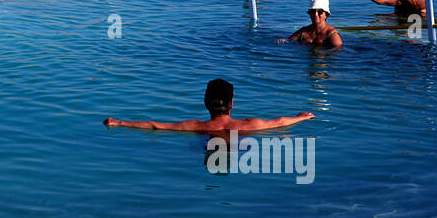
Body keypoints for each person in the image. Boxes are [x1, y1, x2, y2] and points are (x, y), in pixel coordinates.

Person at [104, 78, 313, 133]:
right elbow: (279, 122)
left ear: (205, 103)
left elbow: (155, 125)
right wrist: (302, 117)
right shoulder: (250, 125)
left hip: (206, 142)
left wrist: (120, 122)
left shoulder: (196, 126)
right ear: (232, 104)